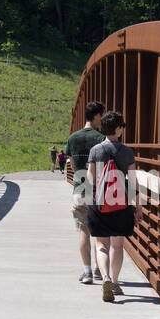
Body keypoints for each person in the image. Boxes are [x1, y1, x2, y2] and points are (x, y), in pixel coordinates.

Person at [85, 111, 138, 303]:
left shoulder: (96, 150)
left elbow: (90, 179)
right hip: (121, 206)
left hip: (99, 204)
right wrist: (137, 206)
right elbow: (132, 183)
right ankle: (115, 282)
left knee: (101, 245)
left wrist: (89, 202)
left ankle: (105, 277)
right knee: (117, 245)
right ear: (118, 129)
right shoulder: (126, 151)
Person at [65, 101, 105, 284]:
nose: (102, 120)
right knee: (99, 231)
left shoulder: (73, 138)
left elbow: (72, 164)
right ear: (96, 116)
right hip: (98, 190)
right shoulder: (101, 138)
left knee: (83, 231)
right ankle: (99, 269)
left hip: (80, 187)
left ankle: (87, 272)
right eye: (101, 116)